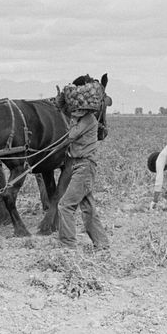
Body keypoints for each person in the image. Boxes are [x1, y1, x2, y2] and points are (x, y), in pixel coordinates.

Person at [57, 103, 109, 250]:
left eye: (78, 108)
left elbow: (70, 136)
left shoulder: (88, 119)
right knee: (88, 207)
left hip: (84, 167)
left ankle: (67, 246)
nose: (76, 111)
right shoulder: (83, 119)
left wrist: (71, 117)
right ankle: (102, 243)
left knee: (65, 205)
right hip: (80, 166)